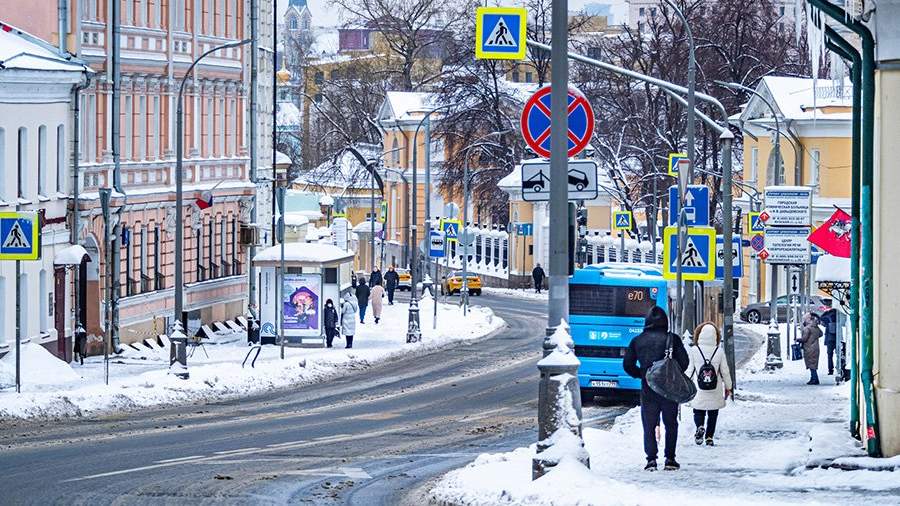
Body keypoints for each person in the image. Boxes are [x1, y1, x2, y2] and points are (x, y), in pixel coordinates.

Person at [623, 306, 690, 471]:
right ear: (665, 321)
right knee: (671, 424)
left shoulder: (637, 341)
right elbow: (685, 362)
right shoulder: (672, 339)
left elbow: (627, 365)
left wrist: (642, 374)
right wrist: (672, 374)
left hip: (648, 390)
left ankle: (651, 459)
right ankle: (670, 459)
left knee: (649, 424)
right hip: (669, 390)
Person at [686, 322, 733, 447]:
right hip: (715, 387)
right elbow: (725, 371)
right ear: (716, 336)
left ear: (699, 335)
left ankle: (700, 426)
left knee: (698, 411)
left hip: (699, 387)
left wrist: (684, 384)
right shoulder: (719, 351)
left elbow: (689, 370)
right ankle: (709, 437)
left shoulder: (694, 350)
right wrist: (729, 387)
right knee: (713, 414)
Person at [797, 312, 823, 385]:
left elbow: (804, 339)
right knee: (813, 363)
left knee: (811, 364)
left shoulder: (807, 328)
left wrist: (798, 339)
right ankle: (814, 378)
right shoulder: (816, 327)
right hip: (816, 347)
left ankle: (814, 379)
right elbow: (821, 334)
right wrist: (814, 338)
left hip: (809, 348)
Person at [818, 299, 838, 375]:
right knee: (840, 354)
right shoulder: (838, 313)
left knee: (830, 355)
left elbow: (822, 320)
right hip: (838, 337)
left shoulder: (827, 314)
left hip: (830, 337)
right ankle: (840, 367)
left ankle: (830, 370)